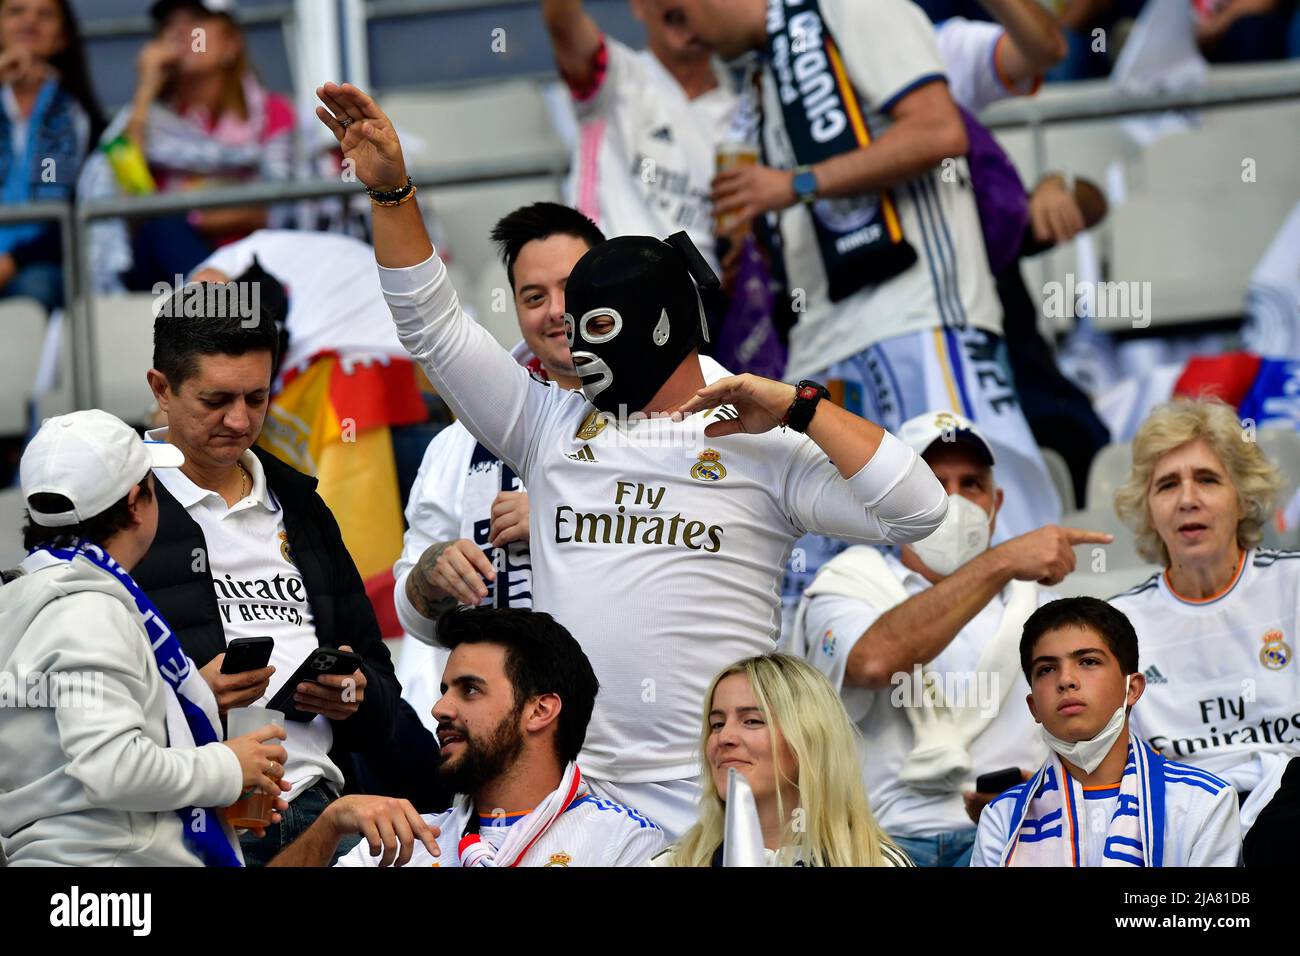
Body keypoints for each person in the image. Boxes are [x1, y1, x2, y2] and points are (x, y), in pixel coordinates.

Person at [315, 81, 948, 839]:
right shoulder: (545, 418)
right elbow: (433, 330)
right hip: (580, 792)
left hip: (722, 791)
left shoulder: (759, 434)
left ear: (658, 327)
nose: (573, 343)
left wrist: (797, 409)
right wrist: (392, 193)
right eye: (565, 319)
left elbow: (922, 509)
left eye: (597, 324)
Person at [675, 0, 1063, 631]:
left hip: (917, 318)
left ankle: (1036, 699)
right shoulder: (759, 71)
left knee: (975, 523)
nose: (686, 30)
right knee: (847, 559)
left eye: (684, 10)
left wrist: (796, 185)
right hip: (824, 343)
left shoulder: (853, 7)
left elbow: (939, 132)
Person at [130, 278, 401, 866]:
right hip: (189, 823)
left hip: (322, 806)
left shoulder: (301, 505)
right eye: (215, 400)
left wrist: (353, 694)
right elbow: (83, 710)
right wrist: (192, 695)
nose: (239, 419)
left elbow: (382, 684)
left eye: (257, 398)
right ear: (162, 389)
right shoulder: (119, 509)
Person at [788, 410, 1110, 866]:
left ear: (996, 504)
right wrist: (1001, 562)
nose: (953, 502)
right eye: (934, 485)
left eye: (971, 485)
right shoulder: (847, 581)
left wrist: (1042, 796)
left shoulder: (1041, 604)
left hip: (1016, 835)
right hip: (877, 842)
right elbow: (873, 662)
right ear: (890, 502)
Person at [0, 409, 289, 866]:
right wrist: (227, 767)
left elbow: (68, 777)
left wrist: (211, 799)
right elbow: (111, 768)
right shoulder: (85, 609)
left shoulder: (27, 597)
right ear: (137, 502)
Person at [395, 202, 604, 728]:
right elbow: (412, 613)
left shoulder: (669, 412)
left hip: (628, 726)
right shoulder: (457, 442)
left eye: (572, 287)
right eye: (535, 297)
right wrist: (430, 575)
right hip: (501, 745)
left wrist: (563, 519)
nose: (556, 310)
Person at [269, 608, 666, 867]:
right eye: (444, 690)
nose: (440, 709)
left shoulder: (624, 846)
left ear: (540, 710)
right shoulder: (402, 845)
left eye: (470, 690)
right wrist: (330, 825)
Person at [1109, 396, 1296, 830]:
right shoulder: (1118, 625)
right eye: (1167, 485)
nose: (1187, 499)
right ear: (1148, 510)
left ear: (1244, 499)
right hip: (1178, 821)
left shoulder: (1293, 586)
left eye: (1208, 479)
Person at [971, 597, 1242, 866]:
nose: (1066, 680)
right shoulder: (1003, 818)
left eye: (1088, 662)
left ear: (1132, 689)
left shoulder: (1204, 802)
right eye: (1047, 669)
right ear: (1034, 707)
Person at [79, 0, 295, 292]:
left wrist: (190, 214)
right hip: (165, 271)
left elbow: (279, 208)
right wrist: (145, 89)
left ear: (231, 42)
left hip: (252, 263)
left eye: (196, 20)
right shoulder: (145, 119)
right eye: (169, 25)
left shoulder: (272, 113)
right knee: (164, 226)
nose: (181, 31)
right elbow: (124, 194)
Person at [652, 653, 912, 866]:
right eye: (717, 724)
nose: (724, 737)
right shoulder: (674, 862)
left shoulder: (876, 862)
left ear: (810, 740)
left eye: (752, 721)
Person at [541, 0, 740, 275]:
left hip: (699, 303)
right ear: (638, 5)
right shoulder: (616, 75)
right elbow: (562, 23)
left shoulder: (741, 113)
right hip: (608, 287)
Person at [0, 0, 104, 311]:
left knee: (37, 286)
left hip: (41, 262)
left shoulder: (78, 114)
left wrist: (12, 261)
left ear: (63, 36)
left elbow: (80, 208)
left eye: (45, 14)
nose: (29, 22)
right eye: (16, 11)